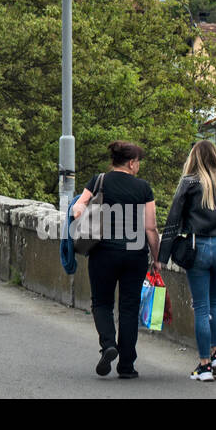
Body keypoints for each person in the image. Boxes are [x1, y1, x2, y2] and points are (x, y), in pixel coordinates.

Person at [71, 140, 159, 379]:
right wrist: (157, 258)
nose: (138, 166)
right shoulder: (143, 188)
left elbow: (77, 209)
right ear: (131, 163)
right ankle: (127, 366)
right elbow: (150, 228)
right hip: (135, 254)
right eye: (138, 162)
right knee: (129, 308)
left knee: (101, 303)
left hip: (103, 253)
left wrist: (83, 213)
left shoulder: (99, 181)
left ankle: (109, 345)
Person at [158, 140, 216, 382]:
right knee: (215, 303)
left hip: (199, 247)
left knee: (202, 306)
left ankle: (204, 365)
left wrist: (161, 258)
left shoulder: (189, 183)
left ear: (193, 158)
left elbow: (173, 221)